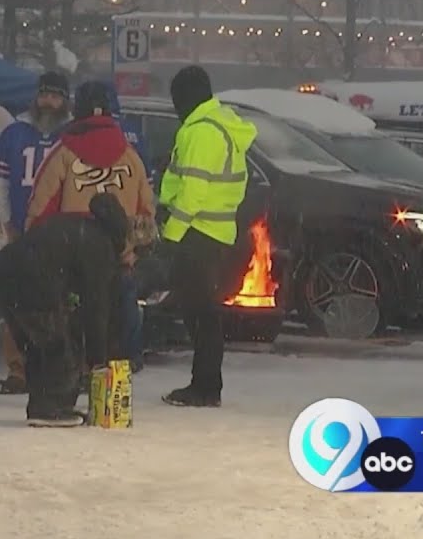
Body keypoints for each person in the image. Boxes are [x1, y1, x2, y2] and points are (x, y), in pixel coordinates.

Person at [25, 80, 156, 370]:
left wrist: (36, 247)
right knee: (119, 317)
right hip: (117, 256)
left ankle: (78, 368)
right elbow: (145, 209)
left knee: (76, 321)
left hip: (72, 259)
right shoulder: (131, 157)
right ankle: (121, 369)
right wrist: (132, 251)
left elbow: (41, 208)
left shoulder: (62, 154)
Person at [0, 193, 129, 427]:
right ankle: (49, 409)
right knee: (58, 345)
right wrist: (98, 359)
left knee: (37, 345)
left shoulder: (75, 226)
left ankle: (46, 404)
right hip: (30, 281)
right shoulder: (99, 245)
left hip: (1, 274)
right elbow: (96, 309)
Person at [157, 65, 256, 408]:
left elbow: (194, 192)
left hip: (197, 232)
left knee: (200, 314)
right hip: (215, 230)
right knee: (203, 312)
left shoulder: (201, 132)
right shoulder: (217, 125)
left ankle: (204, 386)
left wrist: (171, 233)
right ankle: (205, 384)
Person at [0, 72, 71, 395]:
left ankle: (57, 366)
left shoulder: (70, 134)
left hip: (58, 233)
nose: (49, 102)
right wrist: (6, 221)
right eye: (45, 95)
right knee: (16, 302)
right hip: (22, 231)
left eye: (56, 96)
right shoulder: (14, 133)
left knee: (58, 301)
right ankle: (18, 369)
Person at [84, 79, 152, 371]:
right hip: (123, 233)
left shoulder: (77, 136)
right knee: (126, 296)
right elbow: (146, 192)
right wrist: (137, 242)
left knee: (94, 300)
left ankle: (95, 359)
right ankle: (129, 356)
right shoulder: (133, 136)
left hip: (87, 232)